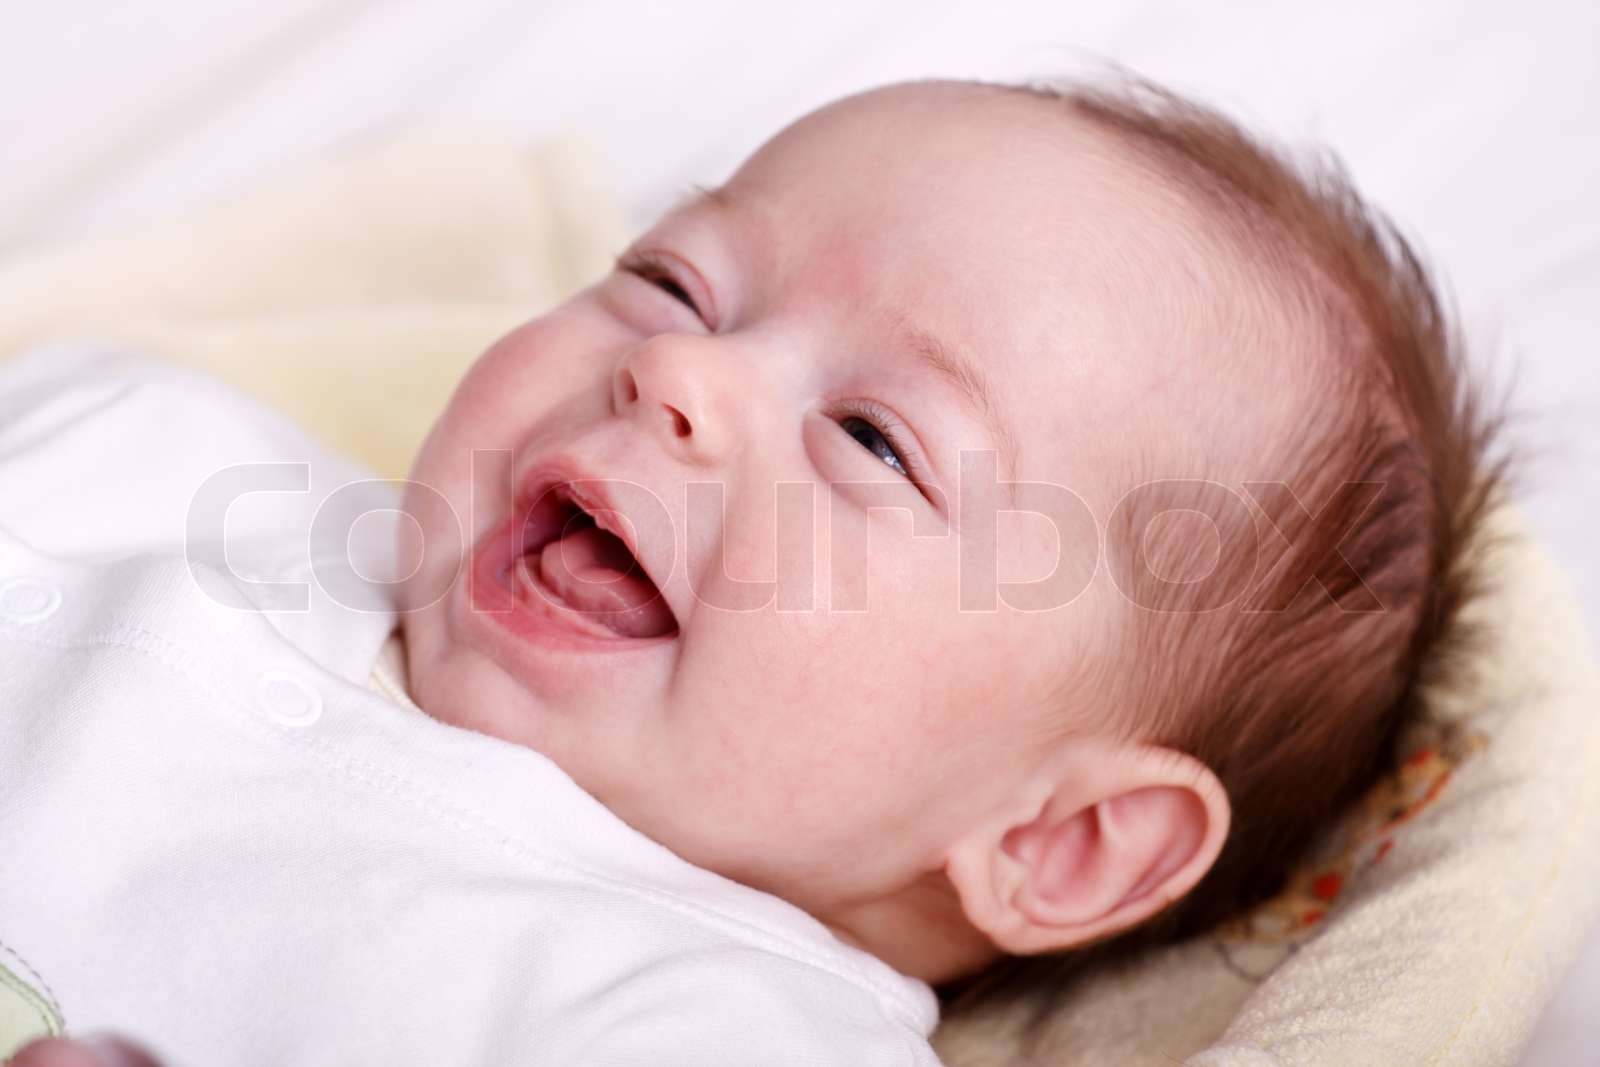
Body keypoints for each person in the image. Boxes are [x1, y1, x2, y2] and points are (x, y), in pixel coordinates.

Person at [0, 76, 1496, 1065]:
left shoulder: (719, 1025)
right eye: (673, 281)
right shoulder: (150, 454)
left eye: (873, 438)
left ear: (1056, 842)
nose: (682, 378)